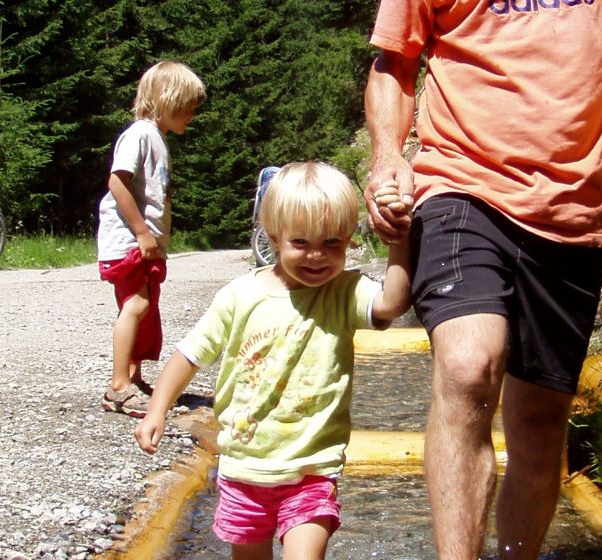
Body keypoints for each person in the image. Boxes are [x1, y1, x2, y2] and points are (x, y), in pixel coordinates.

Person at [363, 0, 602, 558]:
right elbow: (394, 64)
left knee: (540, 421)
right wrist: (386, 157)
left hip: (572, 208)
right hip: (460, 183)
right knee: (468, 365)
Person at [134, 162, 411, 559]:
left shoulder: (344, 292)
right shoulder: (239, 297)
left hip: (312, 468)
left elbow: (392, 303)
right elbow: (190, 354)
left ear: (350, 241)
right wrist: (157, 409)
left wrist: (399, 238)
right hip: (244, 467)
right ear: (274, 237)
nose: (317, 256)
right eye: (301, 242)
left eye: (332, 243)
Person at [97, 60, 206, 418]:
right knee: (136, 305)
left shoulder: (156, 138)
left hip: (145, 245)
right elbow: (117, 182)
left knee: (145, 311)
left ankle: (134, 378)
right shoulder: (140, 134)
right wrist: (142, 232)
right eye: (189, 106)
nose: (193, 114)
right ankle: (118, 387)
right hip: (128, 241)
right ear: (169, 101)